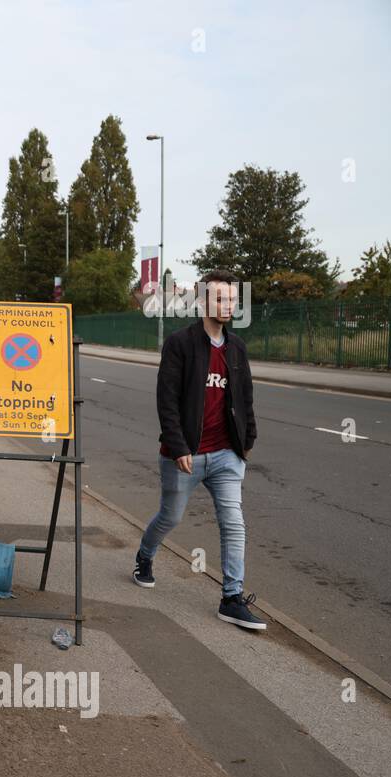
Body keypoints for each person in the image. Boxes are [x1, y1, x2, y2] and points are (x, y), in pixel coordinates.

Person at [132, 268, 265, 630]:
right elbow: (167, 400)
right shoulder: (180, 344)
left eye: (232, 299)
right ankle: (145, 556)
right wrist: (177, 446)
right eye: (220, 298)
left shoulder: (236, 348)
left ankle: (231, 598)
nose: (227, 305)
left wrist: (247, 442)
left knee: (233, 523)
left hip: (226, 455)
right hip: (185, 456)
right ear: (203, 301)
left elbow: (245, 397)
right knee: (170, 517)